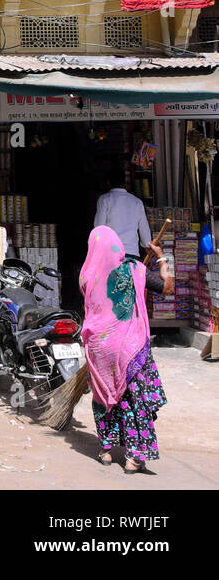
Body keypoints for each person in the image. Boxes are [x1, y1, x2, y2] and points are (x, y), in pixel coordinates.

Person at [80, 225, 172, 473]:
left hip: (98, 346)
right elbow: (167, 288)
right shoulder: (134, 270)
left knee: (103, 398)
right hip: (128, 346)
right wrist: (160, 257)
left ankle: (106, 451)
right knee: (133, 398)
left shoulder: (87, 275)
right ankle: (134, 457)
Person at [93, 168, 160, 261]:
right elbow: (146, 238)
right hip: (131, 255)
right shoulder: (137, 202)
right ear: (125, 182)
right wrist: (146, 245)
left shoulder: (105, 200)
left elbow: (98, 229)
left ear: (108, 182)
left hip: (110, 255)